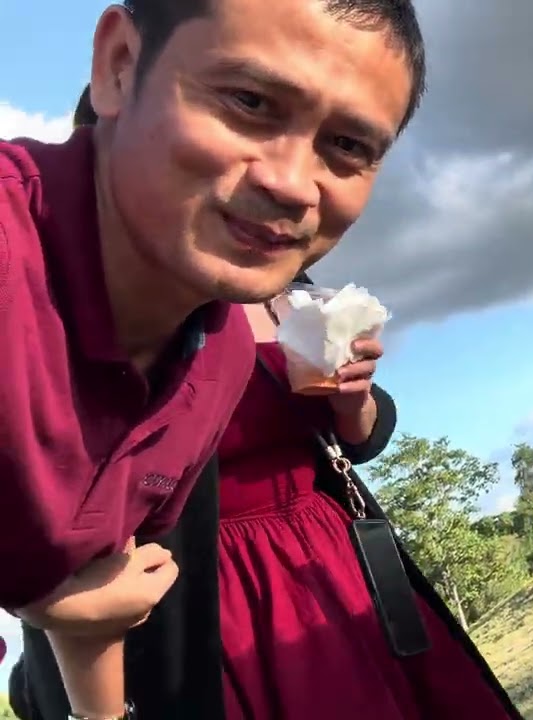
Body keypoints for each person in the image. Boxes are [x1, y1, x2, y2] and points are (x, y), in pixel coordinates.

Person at [1, 0, 427, 716]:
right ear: (119, 70)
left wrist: (354, 396)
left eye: (349, 145)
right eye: (250, 101)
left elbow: (99, 580)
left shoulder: (223, 341)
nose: (292, 183)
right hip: (202, 584)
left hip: (307, 564)